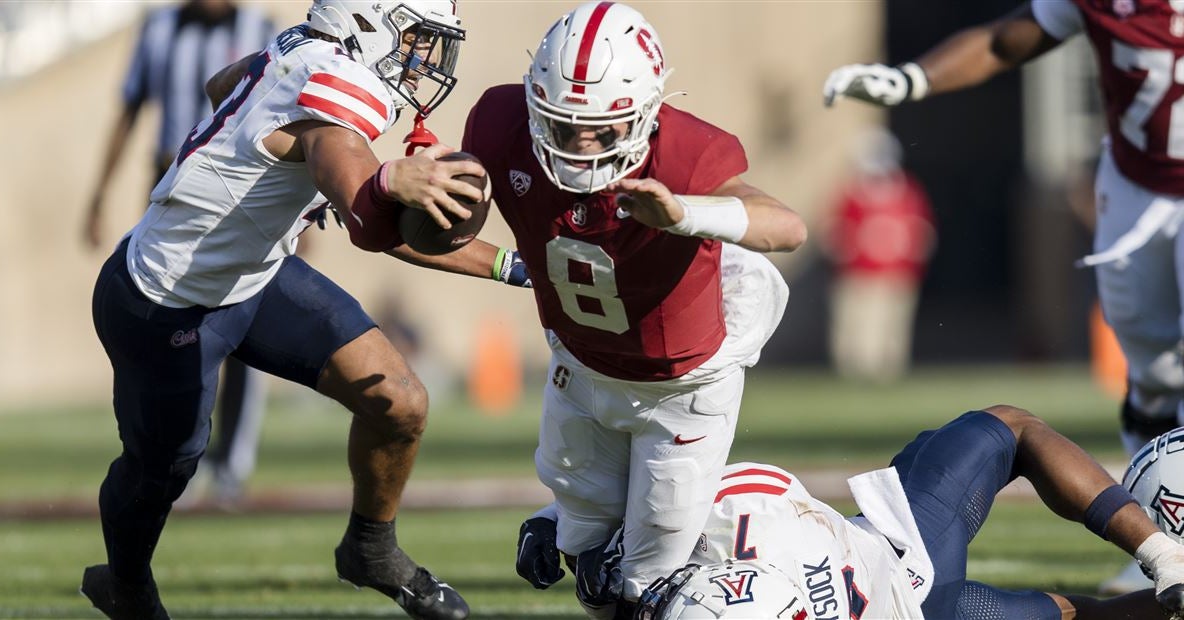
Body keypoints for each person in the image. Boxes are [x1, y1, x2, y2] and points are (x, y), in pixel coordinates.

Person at [79, 2, 532, 618]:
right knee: (165, 466)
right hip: (165, 299)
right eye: (417, 39)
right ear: (368, 25)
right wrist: (386, 187)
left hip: (254, 276)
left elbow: (222, 86)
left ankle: (371, 548)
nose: (424, 57)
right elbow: (376, 227)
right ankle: (125, 584)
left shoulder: (296, 48)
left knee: (399, 400)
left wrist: (256, 165)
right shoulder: (338, 92)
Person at [823, 0, 1184, 594]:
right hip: (1134, 184)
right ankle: (1157, 537)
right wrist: (913, 78)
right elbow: (1002, 41)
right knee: (1153, 378)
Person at [460, 2, 808, 617]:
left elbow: (788, 228)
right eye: (563, 126)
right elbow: (425, 229)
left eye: (604, 128)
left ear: (646, 113)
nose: (580, 146)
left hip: (682, 387)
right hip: (579, 368)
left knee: (649, 586)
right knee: (587, 561)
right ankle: (557, 519)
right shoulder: (499, 125)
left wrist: (684, 213)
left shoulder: (686, 154)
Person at [518, 405, 1184, 619]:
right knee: (1009, 425)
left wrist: (557, 522)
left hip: (904, 574)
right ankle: (1167, 560)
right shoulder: (742, 513)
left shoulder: (737, 518)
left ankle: (1167, 566)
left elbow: (647, 486)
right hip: (910, 570)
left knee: (1078, 615)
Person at [82, 0, 277, 508]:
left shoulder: (262, 27)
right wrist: (100, 194)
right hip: (168, 189)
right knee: (167, 327)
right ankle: (167, 457)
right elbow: (128, 110)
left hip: (241, 197)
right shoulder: (160, 26)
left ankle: (230, 464)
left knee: (243, 326)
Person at [823, 127, 935, 383]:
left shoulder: (907, 192)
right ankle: (855, 371)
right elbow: (835, 231)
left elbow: (921, 230)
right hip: (858, 272)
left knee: (891, 324)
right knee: (855, 325)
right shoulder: (852, 195)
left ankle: (887, 371)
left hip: (896, 272)